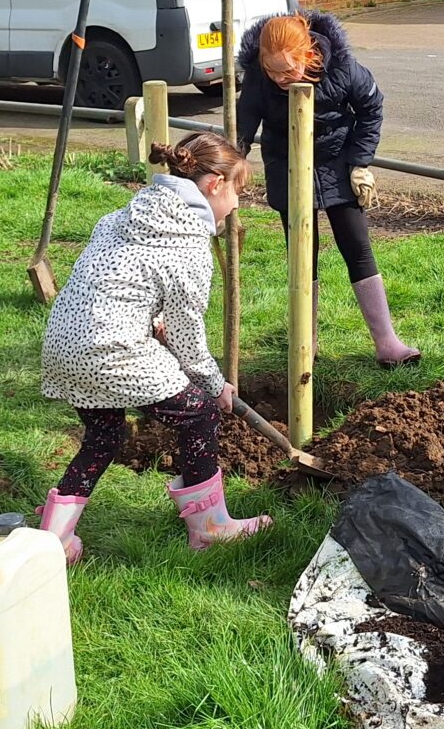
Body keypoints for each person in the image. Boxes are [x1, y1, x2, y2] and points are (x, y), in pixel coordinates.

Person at [38, 133, 271, 561]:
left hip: (63, 344)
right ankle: (211, 529)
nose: (238, 204)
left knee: (103, 435)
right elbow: (188, 335)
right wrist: (215, 382)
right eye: (238, 191)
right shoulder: (188, 245)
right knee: (198, 412)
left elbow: (119, 280)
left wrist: (151, 320)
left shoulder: (126, 213)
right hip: (111, 349)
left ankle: (53, 542)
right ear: (215, 184)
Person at [237, 10, 419, 367]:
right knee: (303, 256)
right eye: (272, 71)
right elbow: (244, 122)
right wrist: (235, 160)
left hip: (337, 162)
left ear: (309, 54)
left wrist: (360, 162)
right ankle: (306, 345)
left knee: (358, 248)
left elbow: (371, 108)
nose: (280, 79)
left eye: (288, 69)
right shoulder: (260, 79)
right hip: (287, 163)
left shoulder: (344, 69)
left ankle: (387, 343)